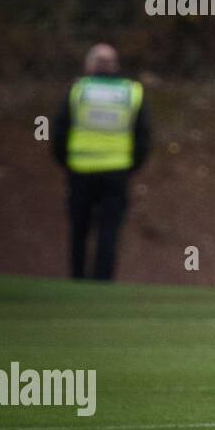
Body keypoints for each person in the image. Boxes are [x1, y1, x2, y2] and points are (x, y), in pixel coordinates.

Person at [52, 43, 151, 281]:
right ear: (115, 65)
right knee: (109, 229)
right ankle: (102, 282)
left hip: (80, 169)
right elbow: (143, 135)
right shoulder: (131, 92)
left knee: (79, 229)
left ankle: (77, 278)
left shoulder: (79, 90)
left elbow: (59, 130)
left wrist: (66, 160)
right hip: (117, 171)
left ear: (90, 64)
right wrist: (131, 164)